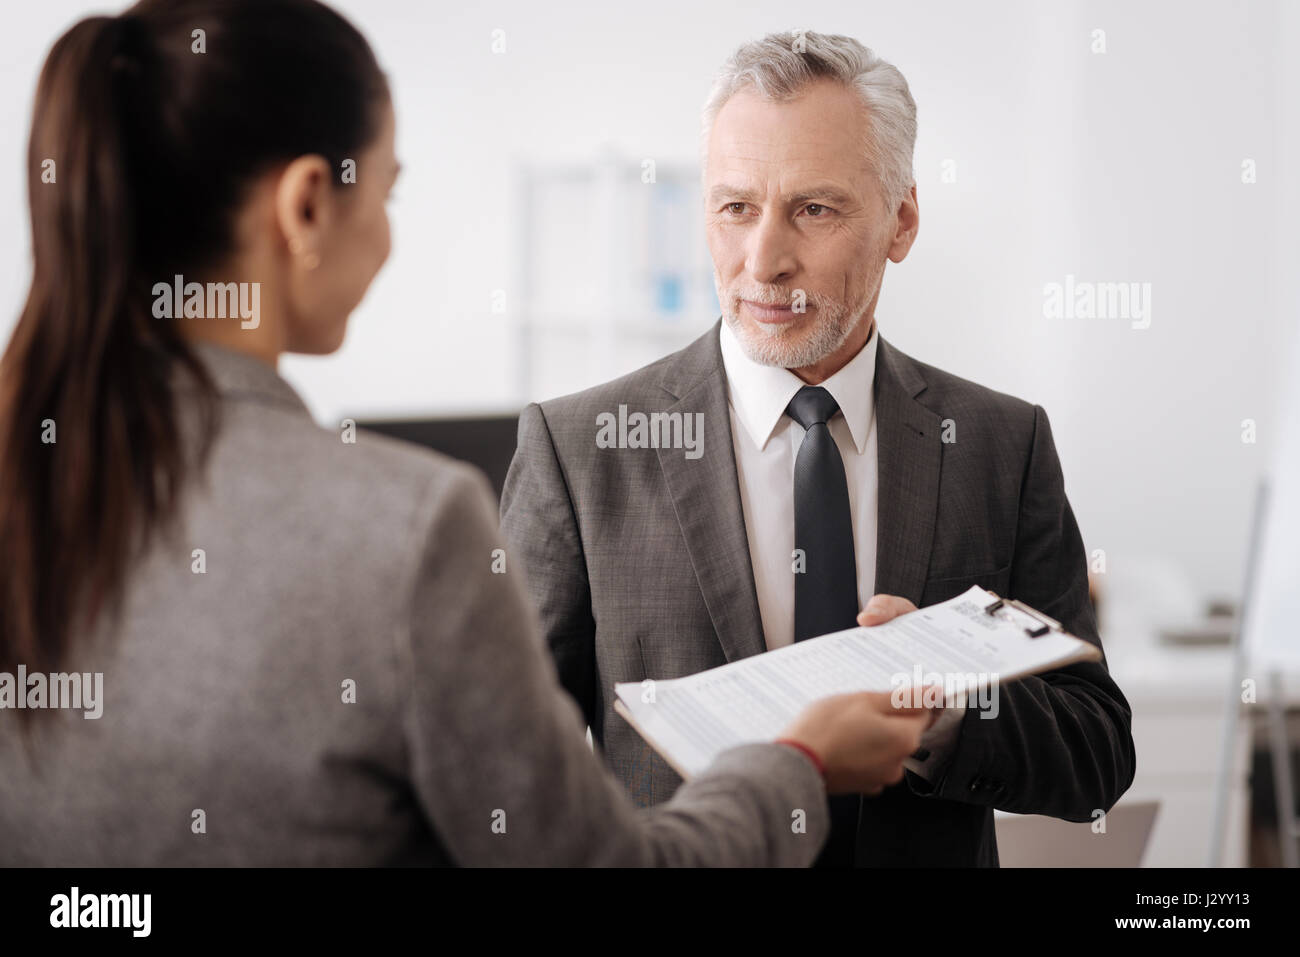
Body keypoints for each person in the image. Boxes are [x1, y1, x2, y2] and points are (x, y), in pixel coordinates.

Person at [0, 1, 931, 866]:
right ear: (308, 205)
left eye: (814, 206)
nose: (765, 253)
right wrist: (800, 762)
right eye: (391, 194)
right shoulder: (410, 526)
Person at [501, 31, 1136, 867]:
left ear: (900, 220)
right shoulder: (580, 451)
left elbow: (1096, 752)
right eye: (736, 208)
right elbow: (501, 775)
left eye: (814, 208)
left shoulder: (1000, 443)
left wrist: (944, 709)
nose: (763, 261)